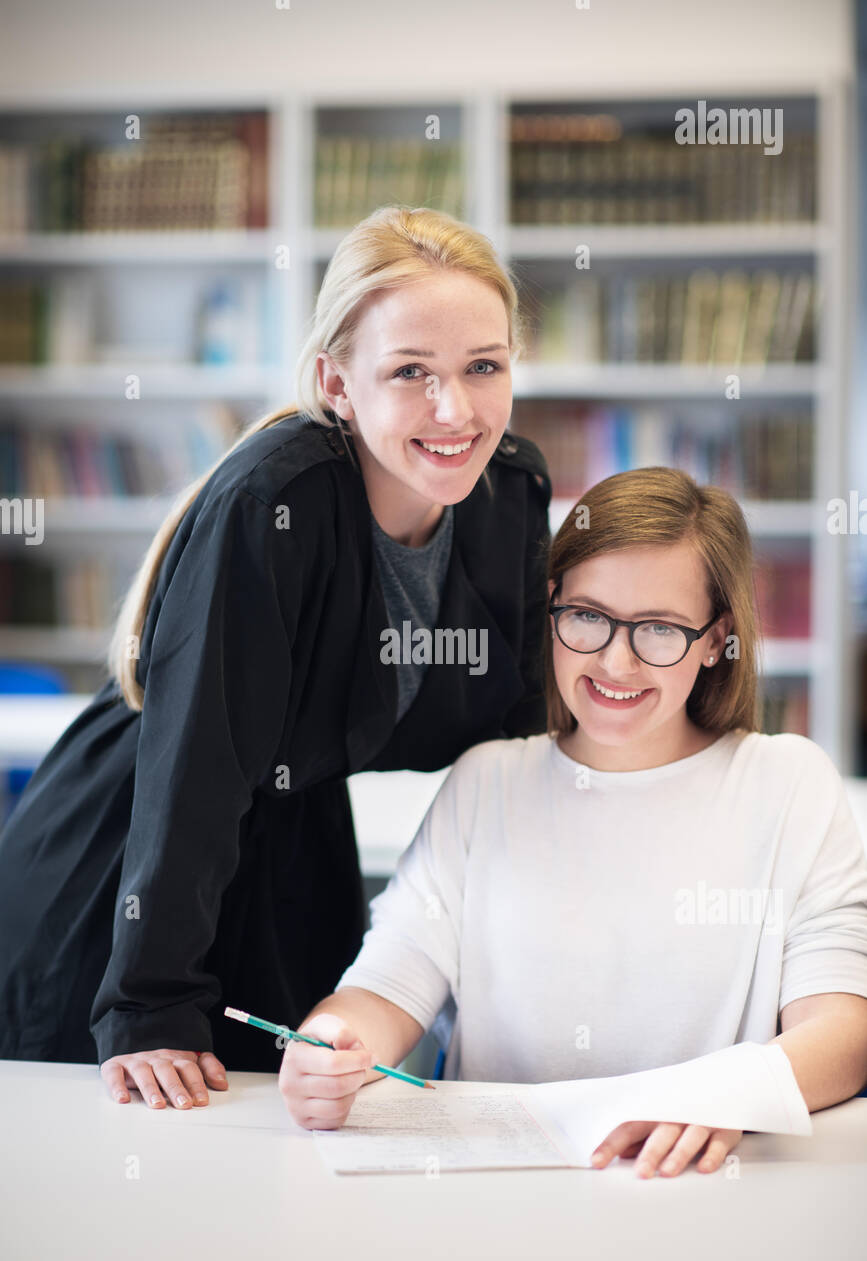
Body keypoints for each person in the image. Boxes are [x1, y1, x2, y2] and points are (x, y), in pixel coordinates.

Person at [0, 205, 553, 1111]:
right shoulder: (275, 501)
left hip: (292, 840)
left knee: (293, 1135)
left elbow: (521, 739)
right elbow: (198, 768)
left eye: (481, 367)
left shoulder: (510, 493)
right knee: (136, 1139)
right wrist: (149, 1003)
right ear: (338, 381)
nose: (454, 410)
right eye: (409, 372)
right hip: (134, 856)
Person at [278, 466, 867, 1179]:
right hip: (499, 1200)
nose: (613, 661)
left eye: (657, 629)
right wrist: (330, 1043)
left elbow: (843, 1033)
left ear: (716, 639)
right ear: (550, 607)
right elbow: (385, 985)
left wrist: (719, 1096)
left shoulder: (786, 785)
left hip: (688, 1193)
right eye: (587, 616)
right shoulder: (485, 782)